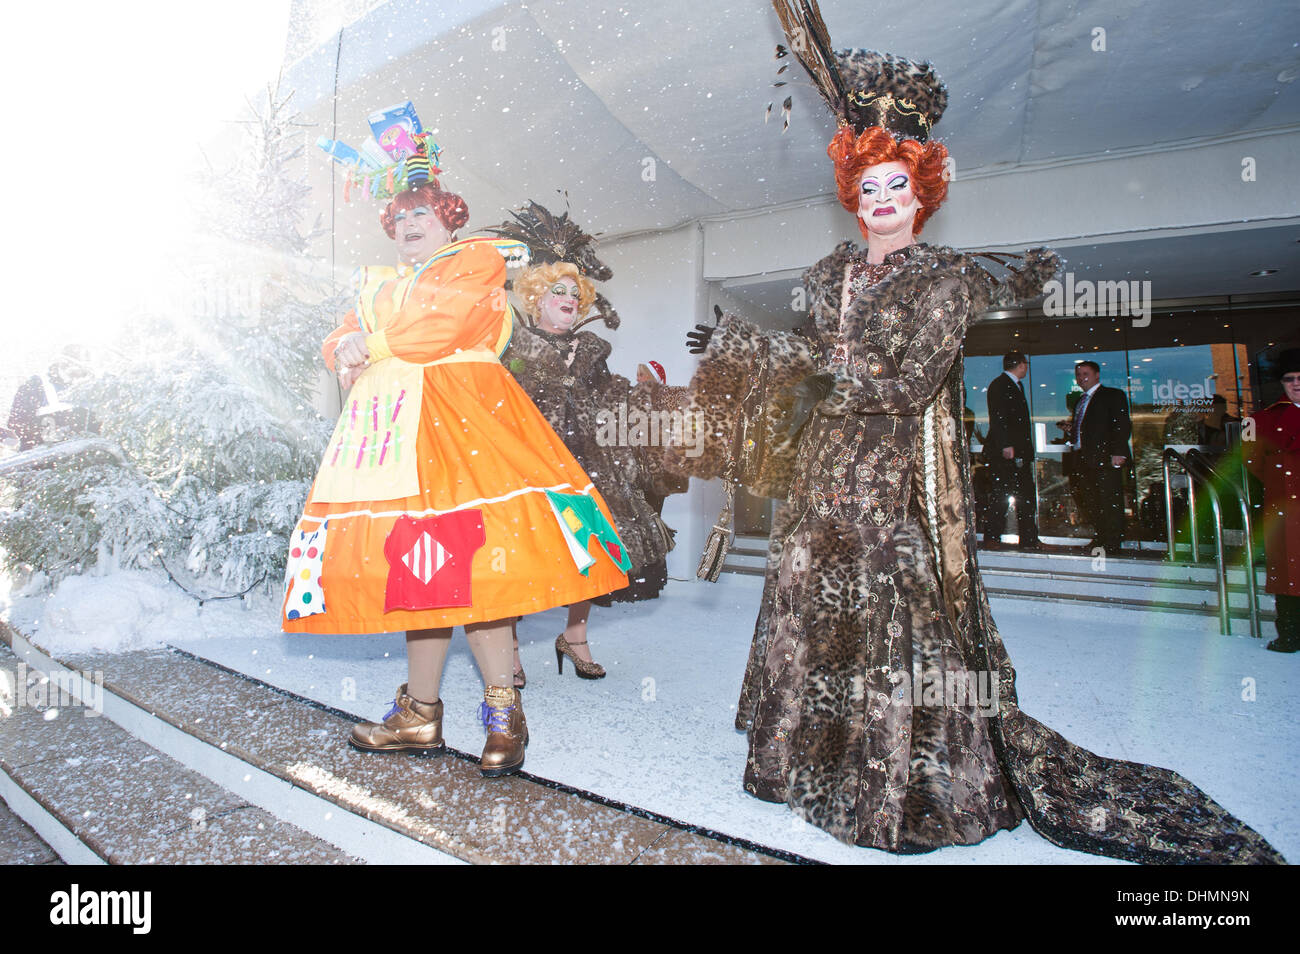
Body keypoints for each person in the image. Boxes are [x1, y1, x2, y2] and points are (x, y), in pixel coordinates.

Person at [678, 7, 1280, 862]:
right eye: (869, 190)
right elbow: (805, 356)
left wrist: (815, 364)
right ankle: (798, 762)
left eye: (899, 189)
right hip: (823, 472)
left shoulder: (947, 280)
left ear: (924, 192)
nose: (882, 205)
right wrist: (746, 346)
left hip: (893, 475)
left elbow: (904, 386)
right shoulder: (828, 274)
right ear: (852, 194)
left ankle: (892, 782)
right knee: (811, 608)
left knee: (895, 619)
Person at [283, 139, 628, 777]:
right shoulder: (377, 282)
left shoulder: (474, 262)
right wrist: (344, 348)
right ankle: (421, 714)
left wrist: (372, 342)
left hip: (467, 429)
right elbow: (340, 334)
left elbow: (438, 329)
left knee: (480, 570)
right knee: (422, 573)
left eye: (424, 215)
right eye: (400, 218)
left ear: (449, 221)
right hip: (391, 438)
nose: (410, 226)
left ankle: (503, 715)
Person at [489, 202, 676, 683]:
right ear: (535, 298)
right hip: (530, 466)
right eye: (558, 291)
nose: (570, 298)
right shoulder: (514, 345)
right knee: (522, 554)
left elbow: (611, 404)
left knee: (588, 551)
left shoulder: (593, 352)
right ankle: (506, 645)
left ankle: (573, 636)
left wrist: (650, 407)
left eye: (576, 292)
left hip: (588, 466)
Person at [1244, 350, 1300, 653]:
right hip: (1286, 507)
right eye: (1289, 379)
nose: (1296, 384)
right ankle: (1290, 634)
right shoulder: (1263, 419)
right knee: (1289, 576)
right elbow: (1253, 461)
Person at [1065, 360, 1131, 552]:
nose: (1081, 378)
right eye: (1078, 375)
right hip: (1085, 459)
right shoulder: (1080, 401)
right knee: (1092, 501)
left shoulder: (1112, 396)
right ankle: (1101, 536)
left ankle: (1112, 540)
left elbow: (1121, 424)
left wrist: (1118, 452)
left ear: (1097, 375)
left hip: (1105, 457)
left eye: (1085, 374)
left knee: (1109, 499)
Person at [983, 351, 1039, 549]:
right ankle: (992, 537)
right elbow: (998, 417)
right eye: (1026, 364)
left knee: (1024, 495)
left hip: (1018, 451)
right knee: (1002, 495)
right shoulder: (1000, 385)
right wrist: (1006, 444)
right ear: (1021, 365)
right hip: (1007, 452)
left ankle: (1029, 538)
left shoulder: (1015, 385)